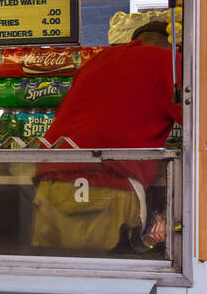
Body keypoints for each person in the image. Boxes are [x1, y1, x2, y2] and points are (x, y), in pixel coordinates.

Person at [32, 20, 182, 250]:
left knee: (51, 278)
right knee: (103, 278)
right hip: (104, 184)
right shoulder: (170, 62)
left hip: (49, 182)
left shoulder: (101, 58)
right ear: (175, 44)